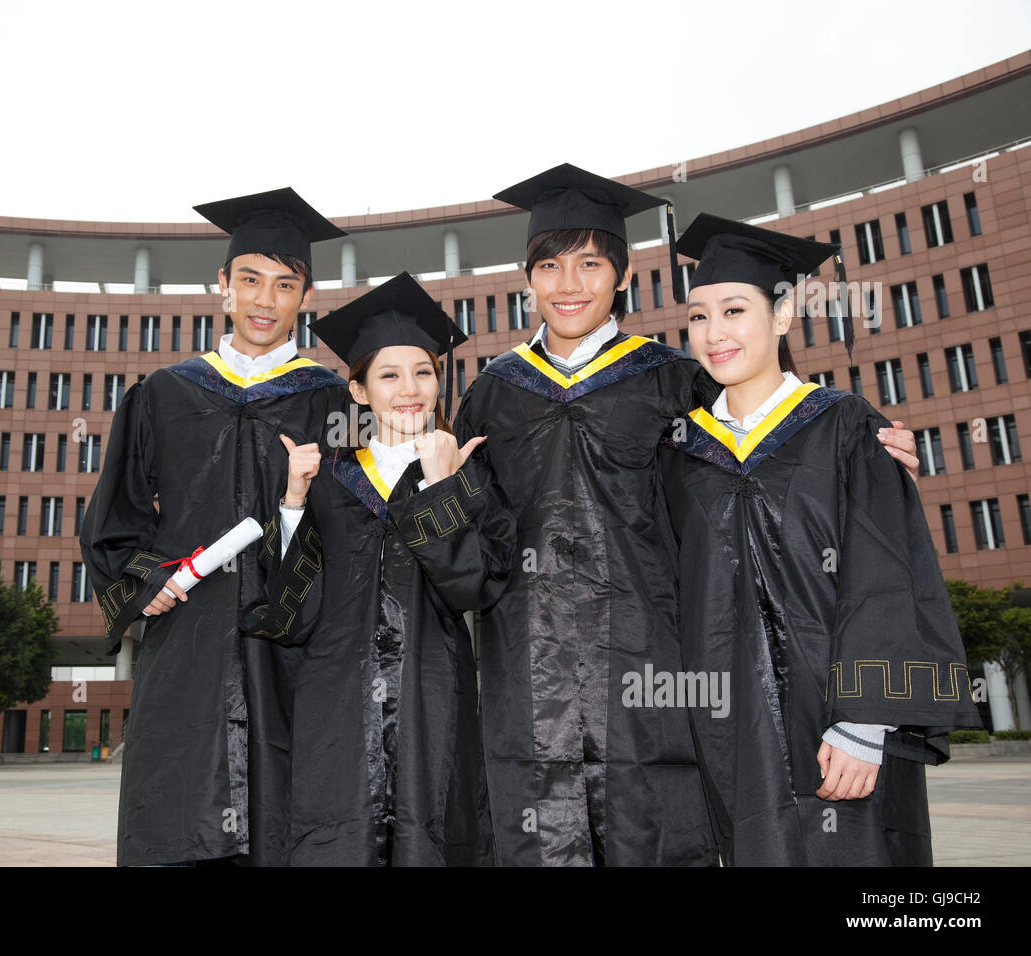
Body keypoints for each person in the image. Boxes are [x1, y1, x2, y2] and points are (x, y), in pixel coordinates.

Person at [455, 163, 920, 866]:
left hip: (658, 674)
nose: (569, 284)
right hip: (528, 681)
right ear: (528, 281)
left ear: (623, 275)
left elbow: (772, 454)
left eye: (589, 263)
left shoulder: (677, 379)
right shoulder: (492, 394)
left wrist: (875, 452)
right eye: (549, 267)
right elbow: (471, 555)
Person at [656, 214, 981, 865]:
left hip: (836, 728)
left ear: (782, 317)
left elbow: (885, 573)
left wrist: (864, 721)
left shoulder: (844, 427)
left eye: (734, 309)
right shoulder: (679, 451)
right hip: (726, 733)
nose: (713, 333)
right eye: (697, 317)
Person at [79, 187, 347, 866]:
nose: (265, 299)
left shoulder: (328, 399)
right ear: (223, 285)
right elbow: (113, 522)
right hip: (186, 638)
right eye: (250, 280)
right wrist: (149, 582)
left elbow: (346, 533)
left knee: (285, 809)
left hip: (288, 638)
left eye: (284, 285)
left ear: (304, 296)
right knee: (176, 809)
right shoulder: (164, 394)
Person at [245, 272, 515, 865]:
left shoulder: (468, 474)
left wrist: (441, 484)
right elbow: (287, 613)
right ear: (360, 391)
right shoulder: (329, 478)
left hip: (433, 698)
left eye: (423, 372)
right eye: (388, 375)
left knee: (434, 835)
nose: (409, 389)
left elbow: (472, 586)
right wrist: (291, 505)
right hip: (336, 704)